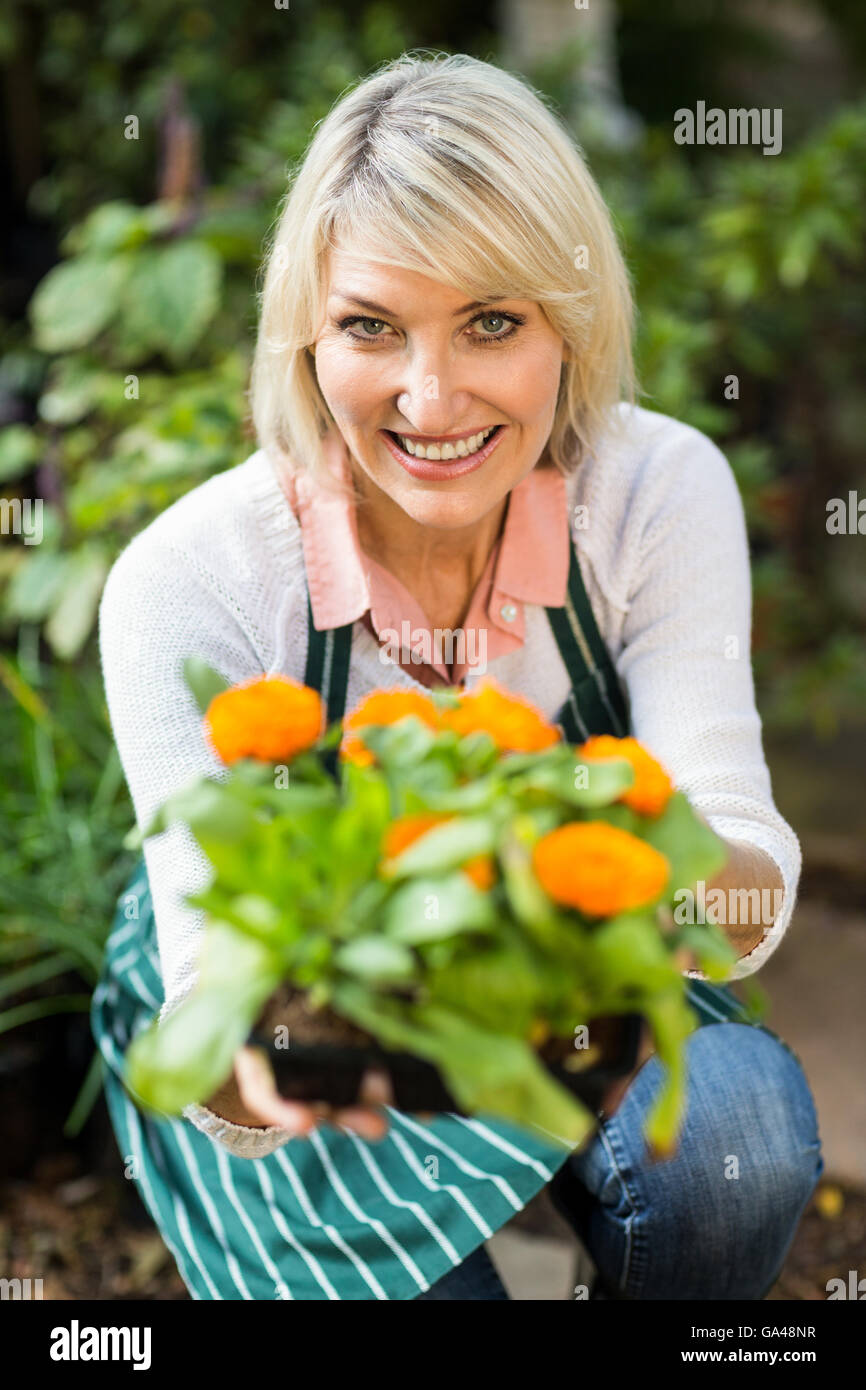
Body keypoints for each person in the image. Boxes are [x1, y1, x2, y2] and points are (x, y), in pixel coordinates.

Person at [94, 52, 823, 1301]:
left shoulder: (655, 492)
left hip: (570, 974)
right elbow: (217, 977)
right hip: (327, 1030)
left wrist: (666, 882)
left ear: (568, 327)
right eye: (369, 327)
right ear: (305, 339)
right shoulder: (191, 580)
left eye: (492, 321)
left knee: (736, 1142)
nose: (430, 400)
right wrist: (261, 1060)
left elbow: (739, 874)